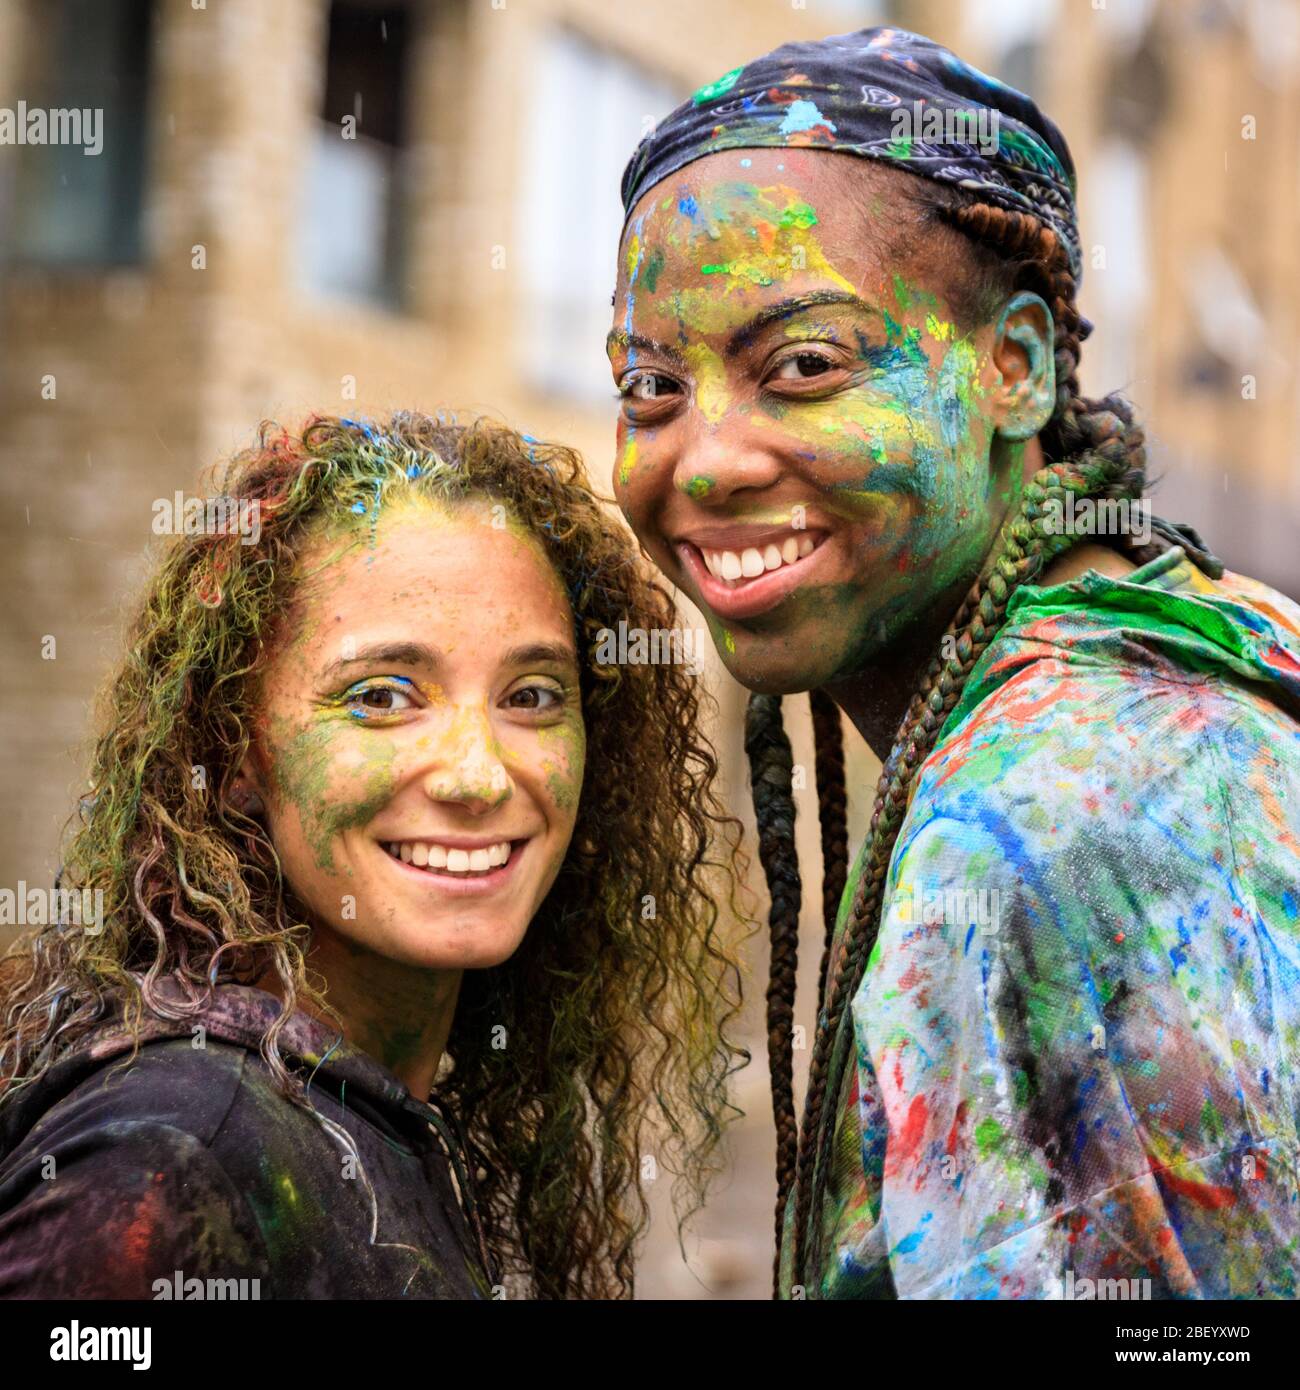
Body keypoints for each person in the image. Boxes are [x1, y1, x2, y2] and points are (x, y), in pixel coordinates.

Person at [609, 26, 1300, 1299]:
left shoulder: (1026, 832)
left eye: (803, 365)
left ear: (1014, 368)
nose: (700, 460)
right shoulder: (1214, 641)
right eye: (649, 383)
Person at [0, 412, 745, 1300]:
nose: (477, 775)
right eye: (383, 696)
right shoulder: (172, 1160)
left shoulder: (357, 1115)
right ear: (236, 751)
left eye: (532, 695)